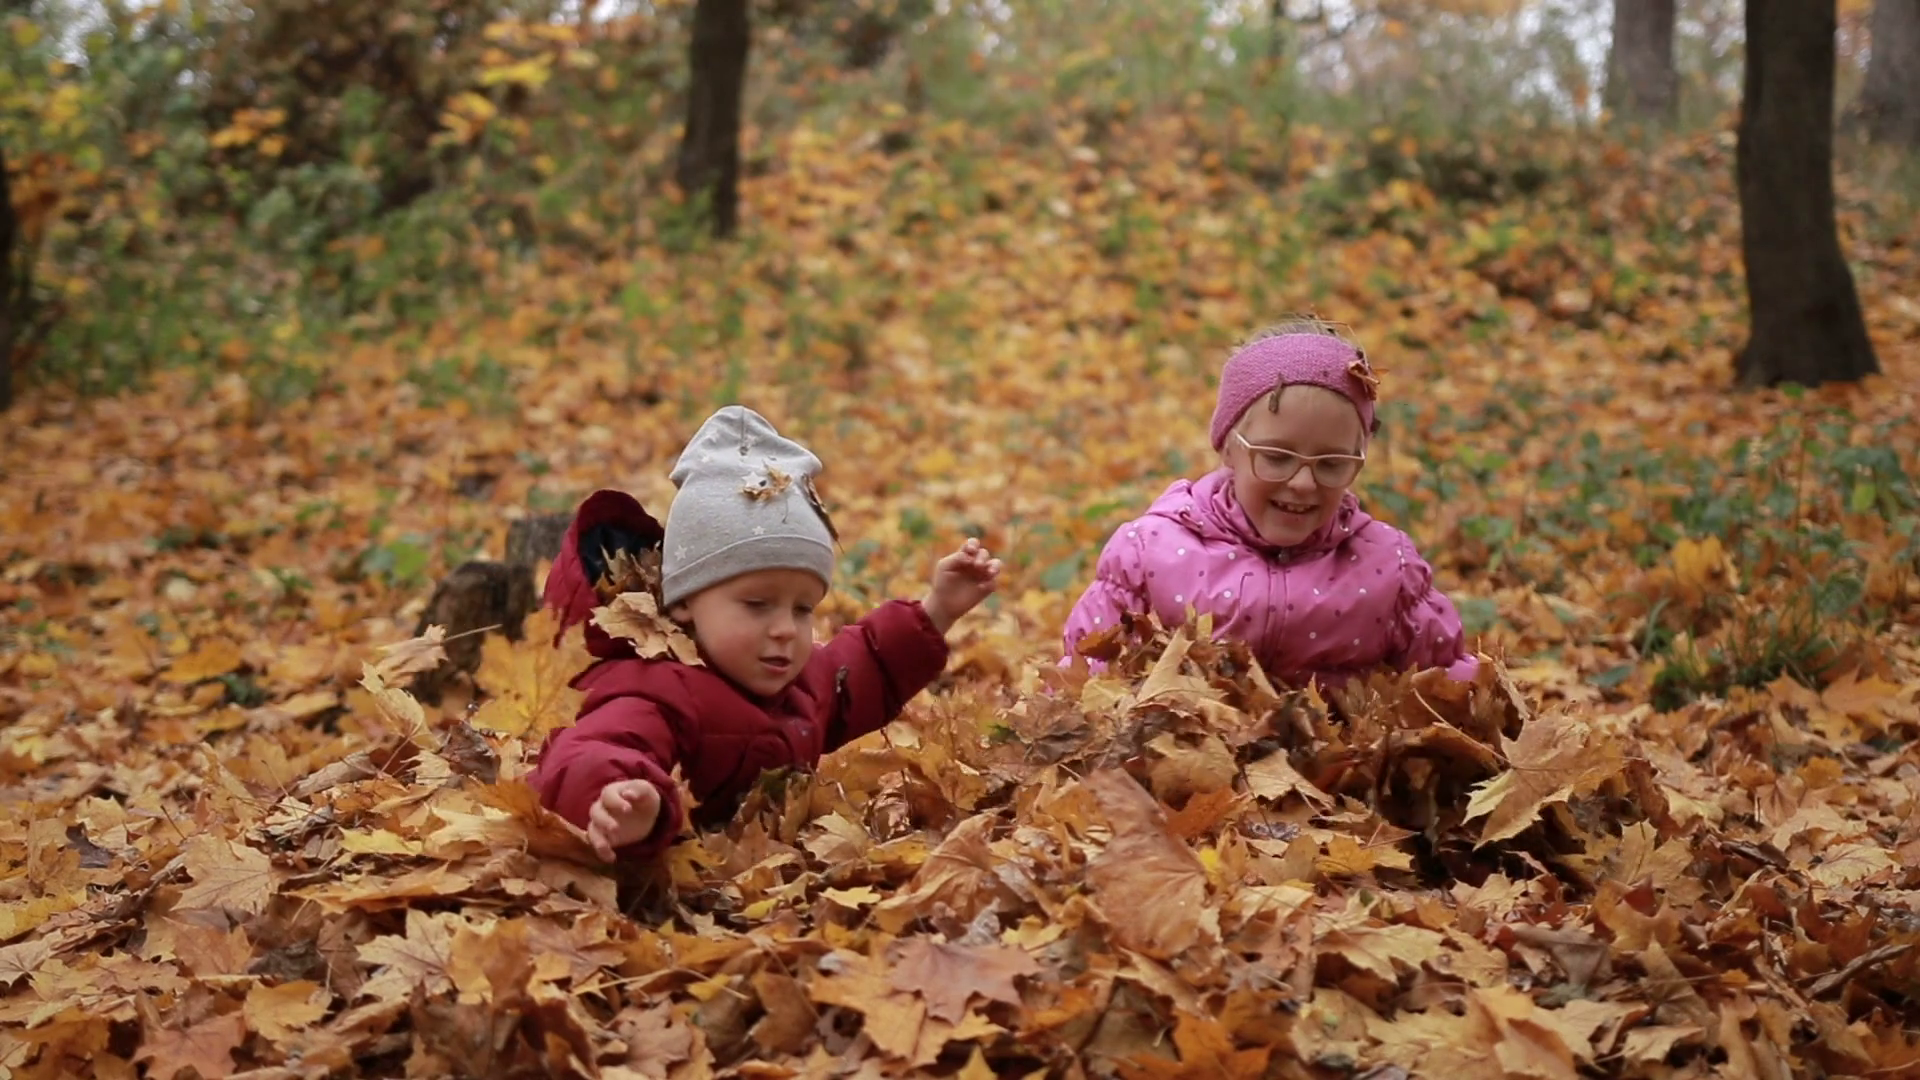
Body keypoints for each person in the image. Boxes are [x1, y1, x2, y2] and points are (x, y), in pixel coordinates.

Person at [533, 406, 1002, 862]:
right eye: (757, 605)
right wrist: (620, 797)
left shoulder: (798, 682)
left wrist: (938, 610)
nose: (783, 630)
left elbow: (862, 667)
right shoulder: (658, 690)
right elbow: (592, 749)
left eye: (803, 609)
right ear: (685, 602)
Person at [1061, 319, 1476, 689]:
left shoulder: (1388, 567)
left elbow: (1444, 686)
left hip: (1332, 772)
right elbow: (1091, 679)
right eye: (1276, 458)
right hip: (1183, 766)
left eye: (1332, 464)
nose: (1302, 483)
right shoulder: (1150, 553)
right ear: (1228, 448)